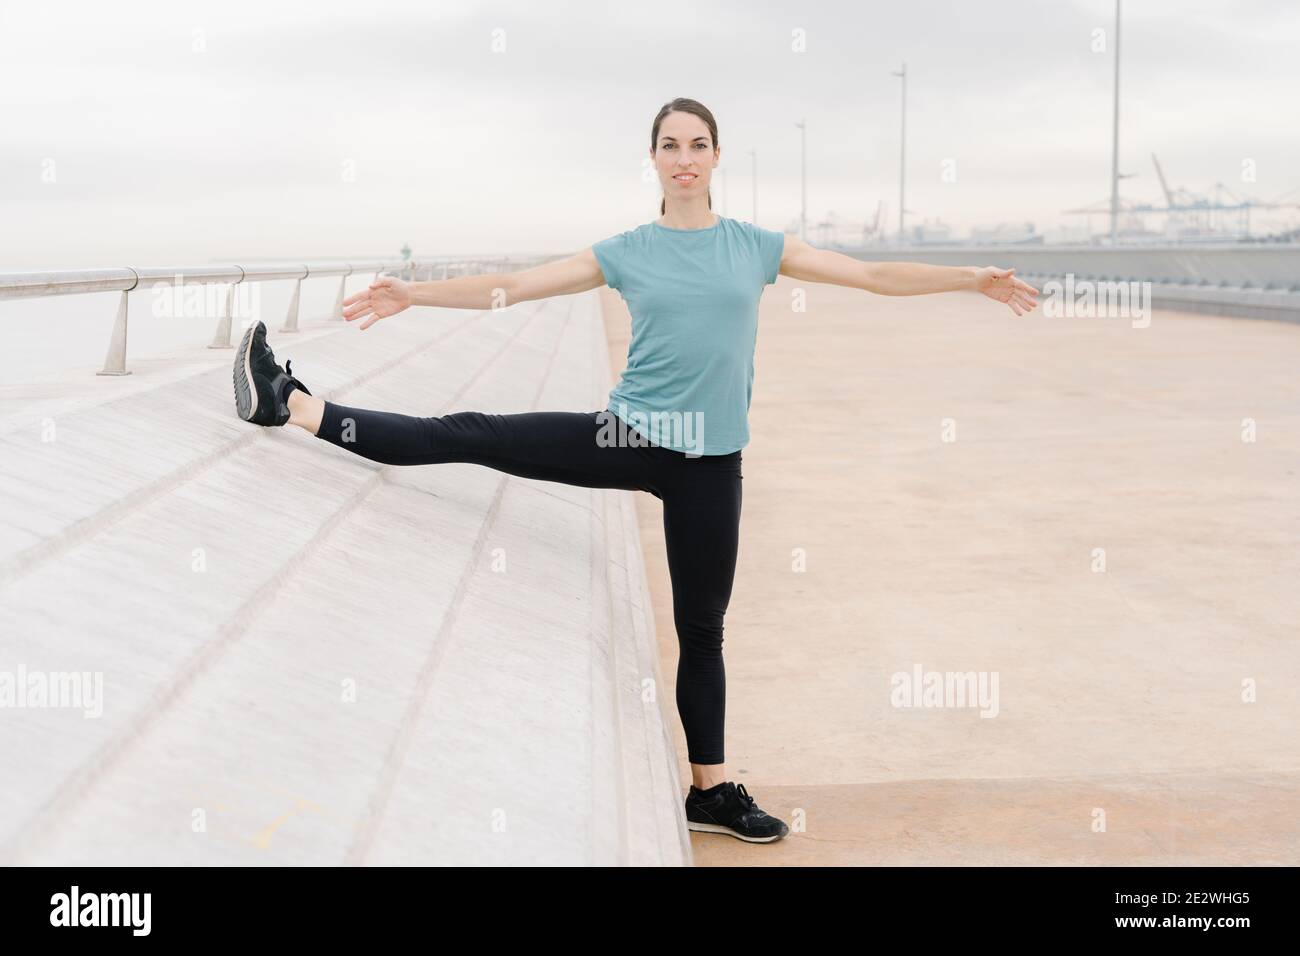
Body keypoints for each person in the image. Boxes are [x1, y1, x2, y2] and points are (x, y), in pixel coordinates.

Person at [232, 96, 1039, 845]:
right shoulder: (627, 252)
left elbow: (869, 276)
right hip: (629, 436)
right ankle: (296, 405)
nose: (683, 158)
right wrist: (418, 293)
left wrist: (970, 279)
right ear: (652, 160)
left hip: (711, 463)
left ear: (716, 156)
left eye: (697, 145)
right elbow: (516, 287)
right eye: (669, 145)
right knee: (472, 432)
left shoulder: (756, 247)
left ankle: (709, 792)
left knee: (703, 629)